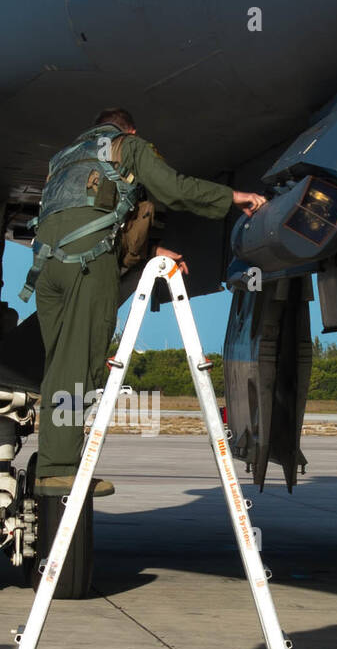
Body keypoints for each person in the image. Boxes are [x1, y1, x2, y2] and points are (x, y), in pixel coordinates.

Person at [27, 108, 266, 495]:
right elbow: (175, 189)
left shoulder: (65, 157)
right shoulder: (128, 148)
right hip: (87, 268)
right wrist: (232, 197)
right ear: (131, 129)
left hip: (46, 269)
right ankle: (57, 470)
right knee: (78, 369)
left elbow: (85, 215)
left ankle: (53, 462)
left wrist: (153, 249)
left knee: (58, 367)